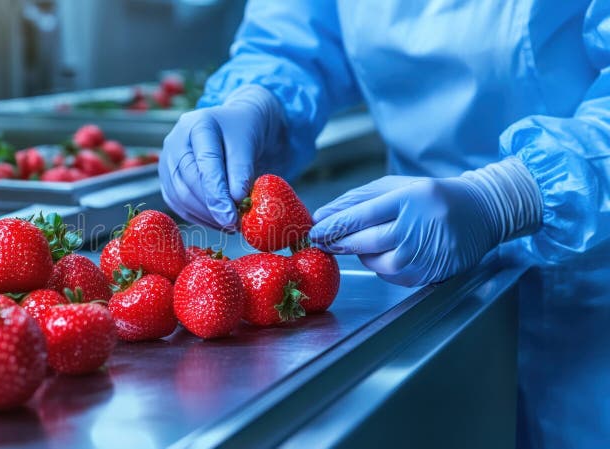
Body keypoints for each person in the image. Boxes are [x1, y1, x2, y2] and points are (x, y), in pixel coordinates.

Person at [158, 1, 610, 448]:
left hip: (593, 286)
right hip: (425, 279)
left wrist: (512, 193)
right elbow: (294, 39)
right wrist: (258, 97)